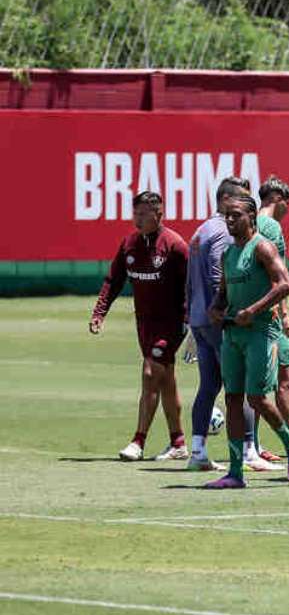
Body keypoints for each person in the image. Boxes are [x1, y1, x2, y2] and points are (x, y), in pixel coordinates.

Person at [202, 190, 289, 488]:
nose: (230, 220)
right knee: (233, 398)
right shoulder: (229, 252)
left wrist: (254, 309)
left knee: (257, 397)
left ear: (251, 217)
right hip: (233, 333)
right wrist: (216, 308)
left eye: (236, 215)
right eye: (227, 216)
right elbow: (224, 290)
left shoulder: (263, 247)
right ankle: (235, 472)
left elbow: (286, 284)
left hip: (261, 331)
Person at [89, 190, 189, 462]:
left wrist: (192, 326)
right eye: (136, 213)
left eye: (144, 214)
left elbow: (193, 287)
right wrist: (100, 313)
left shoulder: (175, 246)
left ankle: (138, 441)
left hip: (172, 323)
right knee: (165, 379)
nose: (139, 218)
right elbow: (113, 281)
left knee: (149, 372)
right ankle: (178, 441)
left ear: (159, 214)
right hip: (144, 323)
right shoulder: (130, 244)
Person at [184, 197, 235, 471]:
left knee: (208, 386)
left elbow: (190, 278)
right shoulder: (223, 231)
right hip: (217, 320)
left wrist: (189, 316)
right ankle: (248, 450)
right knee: (237, 384)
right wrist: (225, 311)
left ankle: (198, 451)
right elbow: (218, 274)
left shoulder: (201, 229)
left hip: (198, 318)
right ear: (227, 200)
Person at [256, 176, 289, 461]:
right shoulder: (271, 226)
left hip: (255, 312)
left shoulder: (252, 223)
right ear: (279, 200)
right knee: (286, 379)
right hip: (271, 317)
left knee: (255, 384)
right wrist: (285, 313)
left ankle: (253, 445)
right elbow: (278, 276)